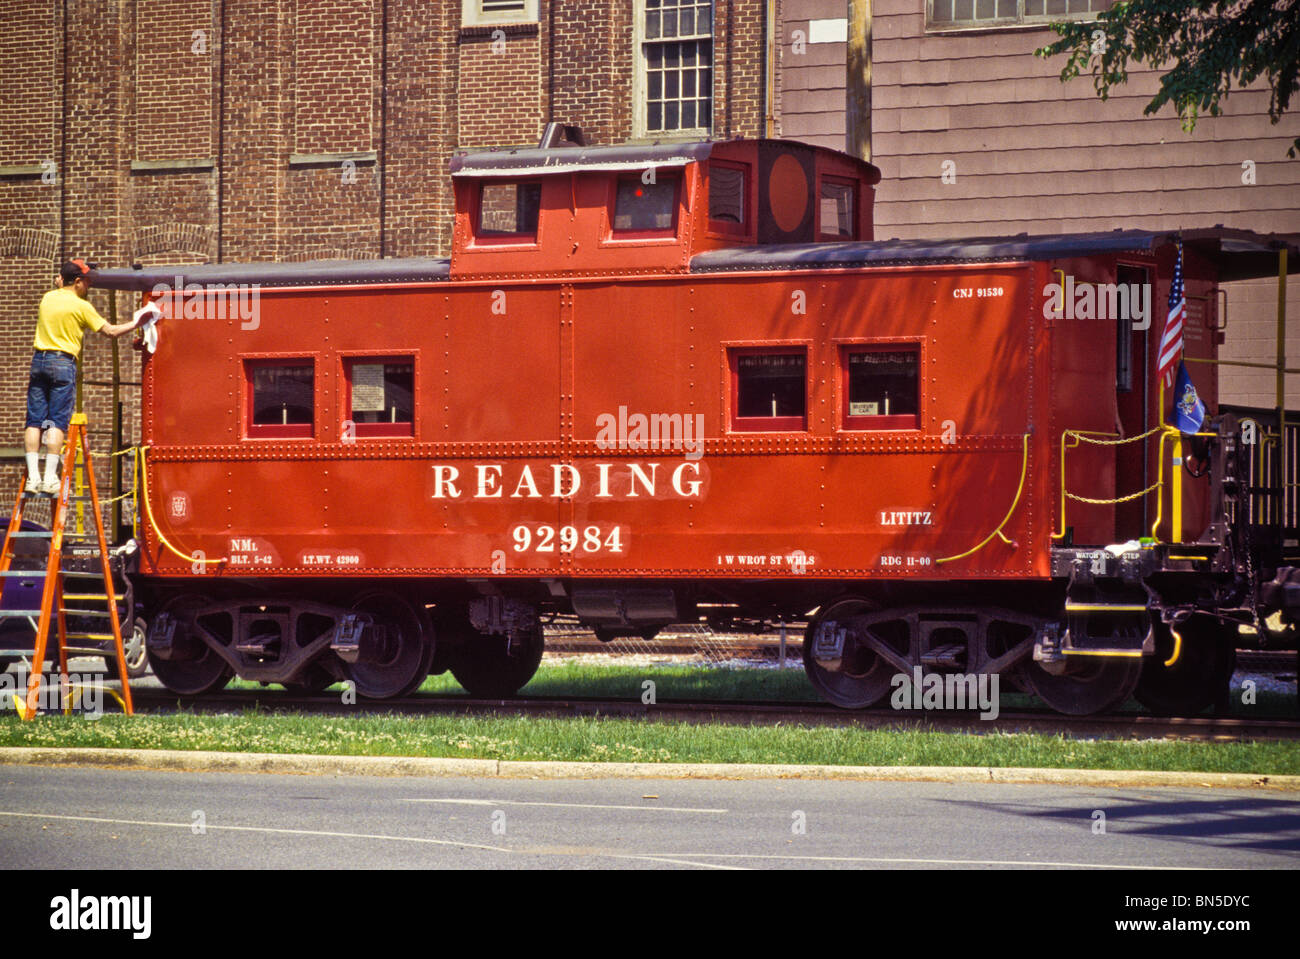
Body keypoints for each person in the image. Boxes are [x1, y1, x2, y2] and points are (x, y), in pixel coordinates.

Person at [24, 259, 140, 496]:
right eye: (86, 281)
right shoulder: (81, 306)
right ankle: (49, 479)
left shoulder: (48, 298)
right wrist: (139, 321)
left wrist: (60, 283)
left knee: (34, 421)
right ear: (76, 282)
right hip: (63, 363)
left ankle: (33, 477)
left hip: (39, 360)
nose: (88, 285)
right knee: (56, 421)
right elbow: (111, 331)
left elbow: (59, 285)